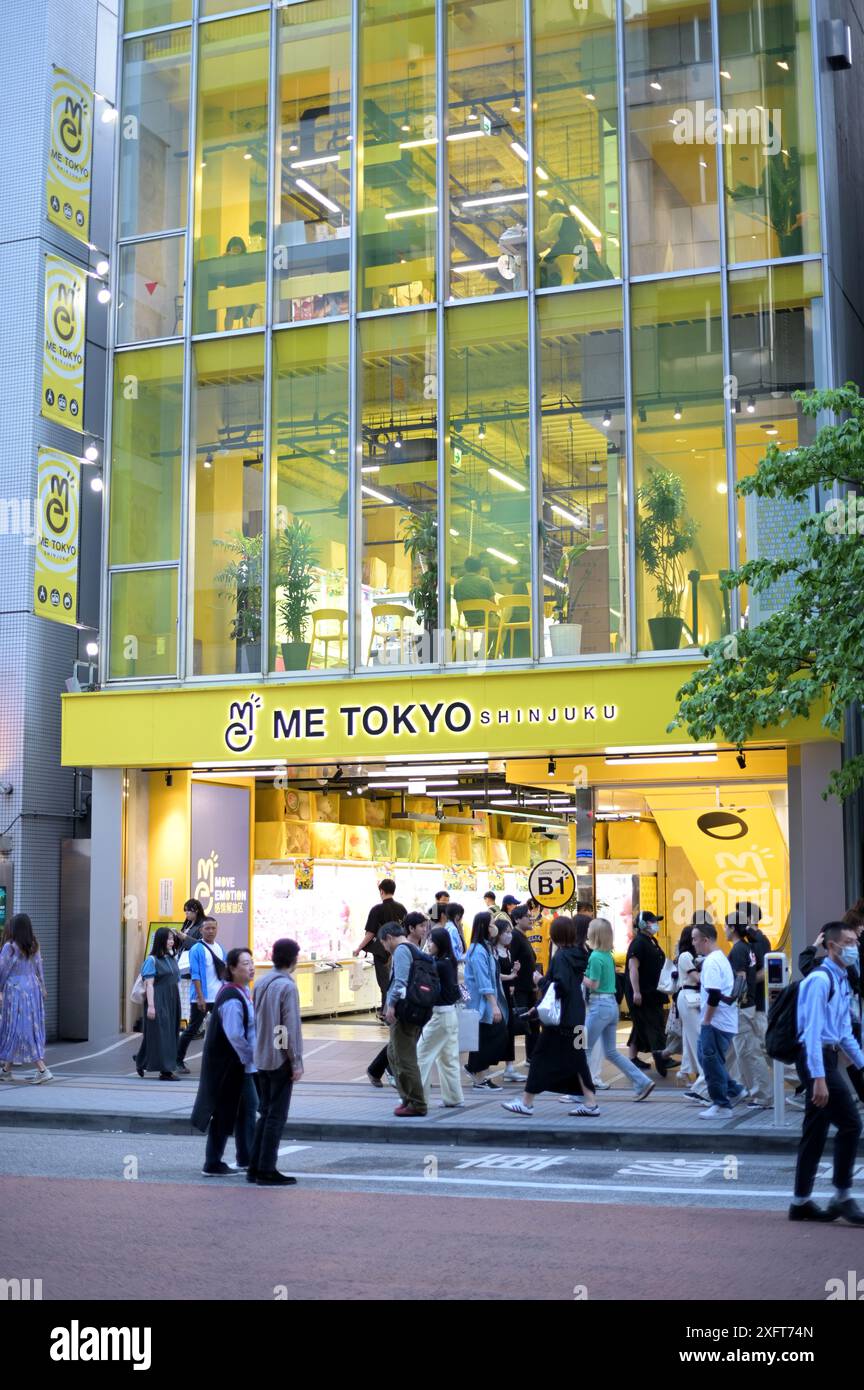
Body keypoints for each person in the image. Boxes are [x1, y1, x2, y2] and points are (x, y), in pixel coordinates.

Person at [790, 922, 864, 1224]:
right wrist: (818, 1078)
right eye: (848, 942)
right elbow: (812, 1033)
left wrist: (862, 1064)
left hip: (828, 1056)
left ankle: (800, 1202)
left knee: (816, 1130)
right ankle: (842, 1195)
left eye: (856, 942)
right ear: (831, 946)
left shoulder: (842, 978)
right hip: (814, 1058)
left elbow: (844, 1032)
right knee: (850, 1123)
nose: (854, 947)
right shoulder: (820, 980)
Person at [502, 915, 598, 1117]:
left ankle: (527, 1103)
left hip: (559, 1022)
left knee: (539, 1057)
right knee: (578, 1058)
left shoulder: (561, 957)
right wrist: (537, 1007)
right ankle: (590, 1103)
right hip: (577, 1017)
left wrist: (540, 981)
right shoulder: (581, 954)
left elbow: (559, 988)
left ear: (555, 935)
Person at [191, 947, 257, 1175]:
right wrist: (251, 1057)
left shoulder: (241, 991)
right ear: (231, 968)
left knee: (245, 1109)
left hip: (238, 1065)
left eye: (251, 962)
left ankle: (246, 1157)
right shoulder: (231, 996)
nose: (251, 967)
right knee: (226, 1111)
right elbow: (235, 1035)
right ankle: (213, 1162)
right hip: (229, 1066)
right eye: (245, 963)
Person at [249, 937, 303, 1187]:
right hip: (278, 1058)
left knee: (265, 1113)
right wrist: (294, 1060)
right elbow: (286, 1027)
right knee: (276, 1116)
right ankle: (266, 1169)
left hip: (260, 1056)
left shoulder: (260, 982)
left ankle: (254, 1167)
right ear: (293, 959)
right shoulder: (287, 987)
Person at [583, 918, 654, 1100]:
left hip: (598, 1006)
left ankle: (579, 1093)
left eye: (590, 929)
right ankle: (642, 1081)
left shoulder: (595, 957)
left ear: (595, 934)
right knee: (611, 1052)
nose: (587, 932)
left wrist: (579, 975)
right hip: (611, 1006)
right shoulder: (608, 955)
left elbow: (593, 984)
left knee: (583, 1048)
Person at [691, 920, 746, 1119]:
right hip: (722, 1020)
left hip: (716, 1022)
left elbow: (714, 994)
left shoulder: (712, 962)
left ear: (705, 940)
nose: (693, 943)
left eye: (695, 939)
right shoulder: (719, 957)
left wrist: (706, 1020)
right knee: (707, 1059)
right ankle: (734, 1089)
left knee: (711, 1062)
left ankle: (722, 1105)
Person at [380, 917, 429, 1117]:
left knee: (405, 1057)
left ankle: (417, 1103)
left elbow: (400, 982)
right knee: (393, 1054)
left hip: (404, 1011)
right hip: (416, 1009)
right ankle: (407, 1098)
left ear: (389, 937)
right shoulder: (414, 949)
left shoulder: (401, 950)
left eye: (383, 943)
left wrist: (391, 1005)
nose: (384, 948)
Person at [724, 912, 772, 1108]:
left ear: (733, 928)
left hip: (742, 1008)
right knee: (750, 1052)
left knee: (749, 1053)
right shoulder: (747, 948)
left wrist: (729, 1000)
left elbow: (741, 979)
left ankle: (763, 1096)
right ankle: (752, 1092)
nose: (724, 930)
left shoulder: (738, 950)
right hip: (749, 1006)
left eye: (726, 926)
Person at [0, 914, 52, 1083]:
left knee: (17, 1028)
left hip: (15, 992)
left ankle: (42, 1069)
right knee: (24, 1028)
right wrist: (43, 987)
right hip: (32, 989)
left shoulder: (10, 947)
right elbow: (39, 969)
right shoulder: (34, 945)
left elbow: (2, 970)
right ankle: (6, 1070)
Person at [416, 927, 464, 1109]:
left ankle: (416, 1098)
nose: (429, 944)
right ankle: (454, 1097)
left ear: (440, 943)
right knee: (448, 1058)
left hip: (439, 1016)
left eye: (431, 941)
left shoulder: (439, 964)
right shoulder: (449, 961)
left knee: (421, 1055)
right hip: (450, 1014)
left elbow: (422, 970)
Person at [464, 912, 510, 1089]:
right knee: (491, 1036)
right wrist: (493, 1005)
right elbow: (483, 981)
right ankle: (477, 1073)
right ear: (484, 926)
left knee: (486, 1037)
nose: (494, 927)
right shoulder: (477, 951)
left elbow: (492, 976)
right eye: (491, 924)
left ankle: (479, 1074)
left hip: (487, 1001)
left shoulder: (485, 948)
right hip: (481, 1003)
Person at [176, 918, 225, 1073]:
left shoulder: (220, 948)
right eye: (207, 928)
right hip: (201, 997)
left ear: (217, 929)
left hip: (217, 996)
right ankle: (178, 1060)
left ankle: (217, 1060)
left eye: (213, 928)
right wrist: (200, 997)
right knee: (192, 1029)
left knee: (220, 1029)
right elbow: (195, 975)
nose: (210, 931)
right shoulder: (197, 948)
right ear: (201, 930)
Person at [353, 878, 406, 1021]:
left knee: (384, 982)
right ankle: (394, 1009)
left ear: (381, 891)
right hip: (400, 951)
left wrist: (359, 947)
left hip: (382, 952)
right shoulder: (402, 909)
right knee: (397, 980)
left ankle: (385, 1011)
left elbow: (370, 933)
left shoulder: (376, 909)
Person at [134, 927, 181, 1081]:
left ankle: (141, 1060)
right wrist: (152, 1006)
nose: (172, 941)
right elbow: (149, 985)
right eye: (169, 938)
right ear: (161, 940)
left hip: (172, 1000)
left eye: (173, 939)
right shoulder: (152, 960)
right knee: (161, 1035)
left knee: (167, 1034)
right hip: (158, 1000)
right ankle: (165, 1071)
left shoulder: (171, 958)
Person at [625, 911, 668, 1077]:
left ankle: (633, 1057)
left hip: (652, 990)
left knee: (640, 1023)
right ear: (642, 924)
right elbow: (633, 968)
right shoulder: (638, 943)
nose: (655, 924)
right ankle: (661, 1056)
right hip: (642, 992)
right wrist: (636, 991)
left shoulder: (651, 941)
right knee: (654, 1023)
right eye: (651, 922)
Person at [495, 917, 526, 1083]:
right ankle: (481, 1067)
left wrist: (514, 973)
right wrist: (511, 976)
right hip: (497, 996)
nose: (509, 935)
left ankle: (509, 1067)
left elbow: (507, 974)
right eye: (506, 932)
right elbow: (494, 975)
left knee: (510, 1029)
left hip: (507, 994)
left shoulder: (506, 951)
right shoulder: (492, 951)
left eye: (509, 931)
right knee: (497, 1030)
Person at [675, 921, 705, 1091]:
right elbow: (697, 978)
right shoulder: (685, 956)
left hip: (691, 997)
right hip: (688, 996)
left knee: (689, 1037)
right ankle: (703, 1075)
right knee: (697, 1037)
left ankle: (684, 1072)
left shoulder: (691, 956)